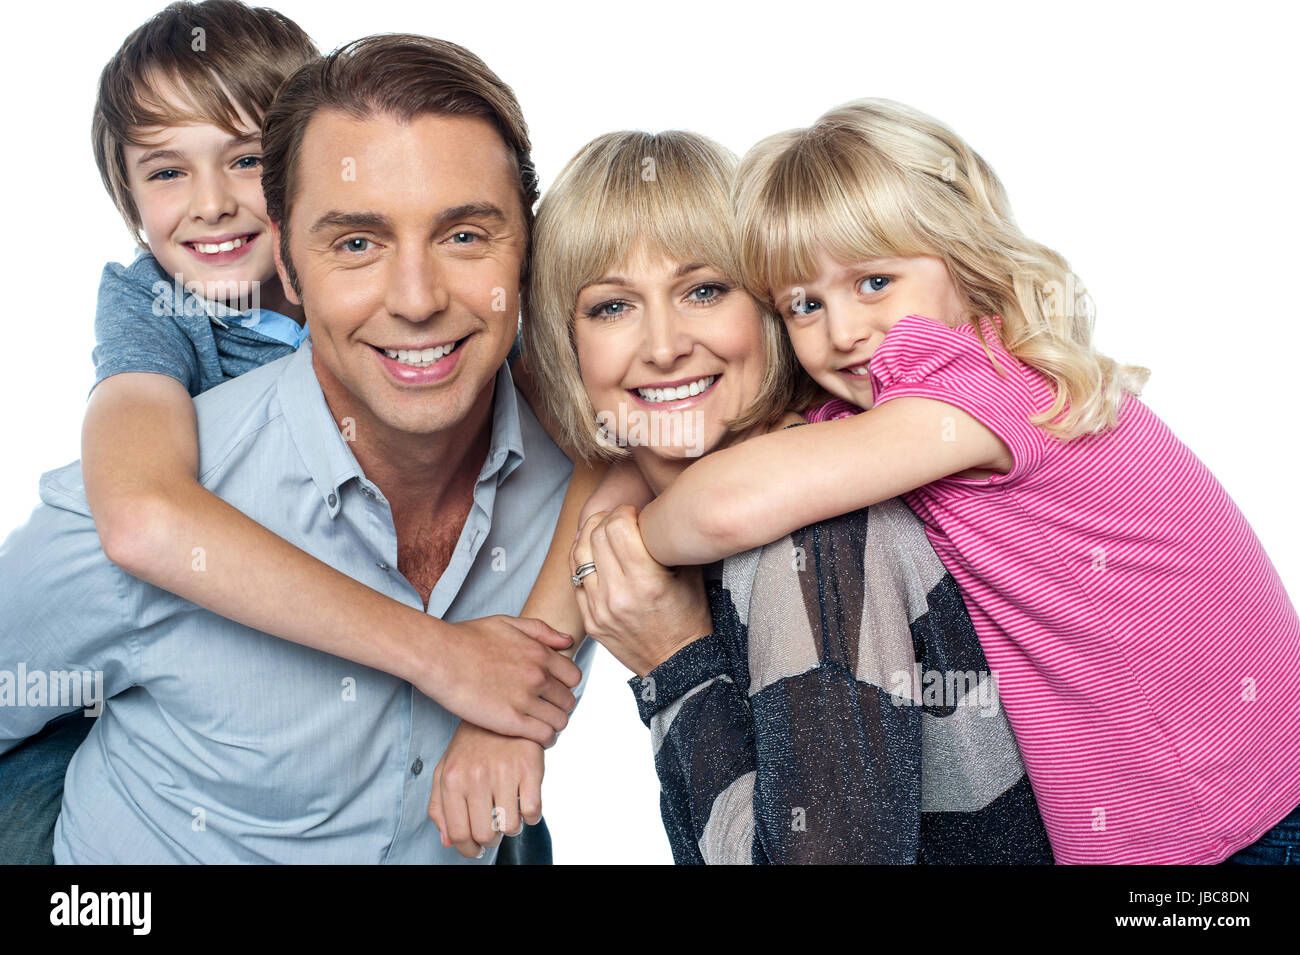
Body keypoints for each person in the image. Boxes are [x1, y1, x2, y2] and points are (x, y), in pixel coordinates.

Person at [593, 99, 1300, 864]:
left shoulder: (974, 386)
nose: (842, 330)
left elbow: (730, 502)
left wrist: (633, 548)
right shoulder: (894, 412)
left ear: (962, 259)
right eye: (804, 303)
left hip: (1231, 820)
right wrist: (615, 478)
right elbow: (767, 452)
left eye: (873, 282)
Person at [0, 32, 594, 864]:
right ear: (291, 255)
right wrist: (442, 657)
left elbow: (647, 458)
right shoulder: (156, 459)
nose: (417, 300)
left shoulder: (575, 445)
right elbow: (139, 520)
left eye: (464, 235)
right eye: (356, 242)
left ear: (531, 249)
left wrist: (515, 719)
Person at [519, 129, 1054, 863]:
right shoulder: (731, 506)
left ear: (769, 310)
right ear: (563, 344)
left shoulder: (807, 539)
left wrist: (675, 661)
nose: (665, 344)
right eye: (612, 307)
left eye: (704, 289)